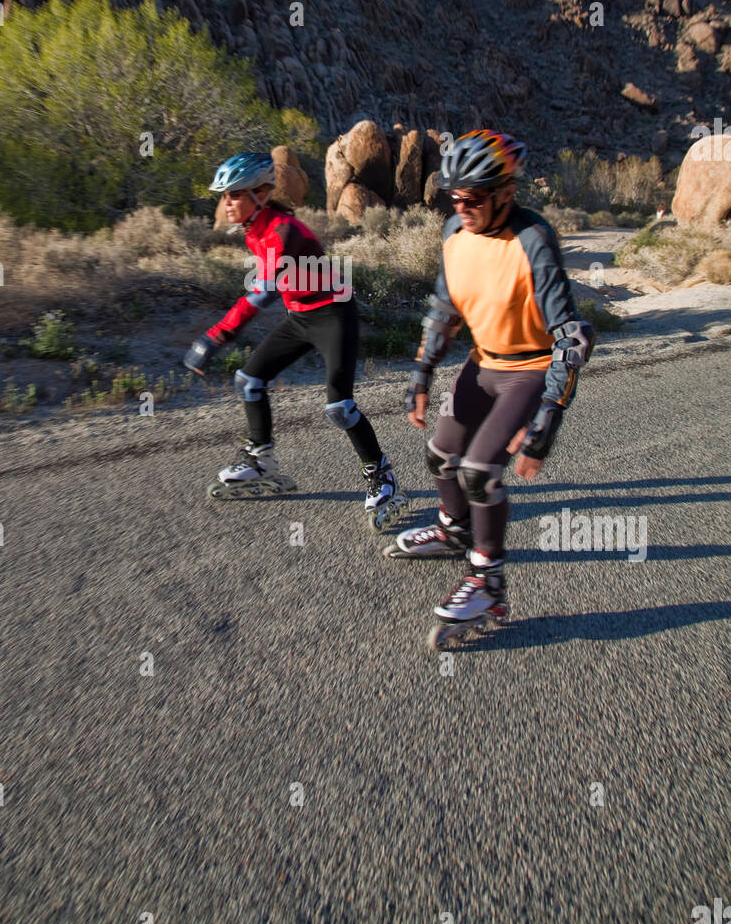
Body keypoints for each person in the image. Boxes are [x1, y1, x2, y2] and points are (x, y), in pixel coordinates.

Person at [389, 129, 595, 641]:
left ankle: (488, 582)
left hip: (528, 369)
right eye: (454, 197)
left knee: (480, 471)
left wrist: (547, 421)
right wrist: (422, 372)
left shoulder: (532, 239)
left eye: (474, 198)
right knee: (440, 456)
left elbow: (572, 338)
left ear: (506, 192)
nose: (462, 208)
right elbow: (444, 311)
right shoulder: (453, 235)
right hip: (483, 363)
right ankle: (455, 529)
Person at [183, 151, 404, 526]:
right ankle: (261, 461)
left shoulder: (284, 231)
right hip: (301, 316)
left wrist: (214, 337)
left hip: (334, 315)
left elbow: (261, 293)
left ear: (260, 194)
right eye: (224, 195)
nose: (226, 203)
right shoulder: (256, 228)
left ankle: (381, 476)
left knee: (339, 408)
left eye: (233, 194)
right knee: (249, 382)